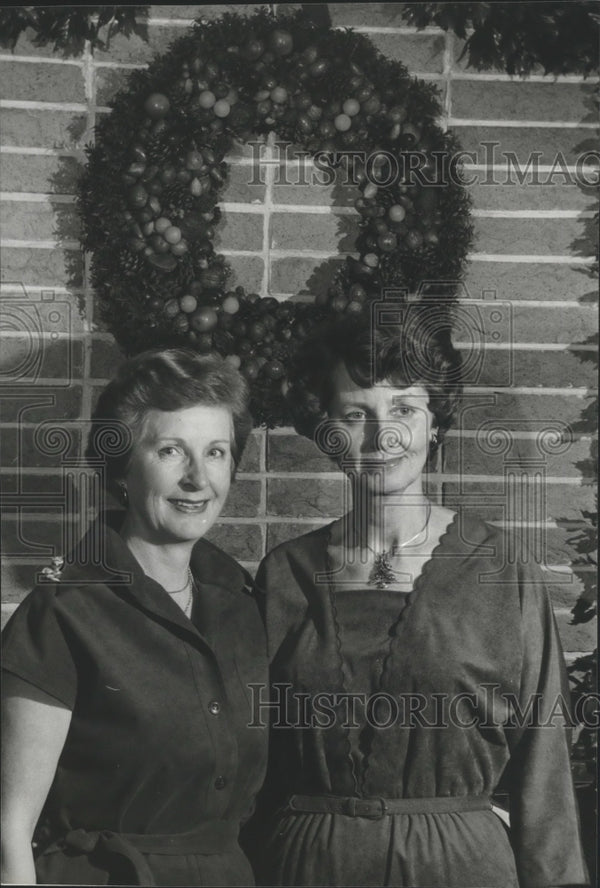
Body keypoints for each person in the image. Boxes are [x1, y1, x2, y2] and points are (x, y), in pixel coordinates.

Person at [252, 311, 589, 888]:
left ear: (437, 424)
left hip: (459, 867)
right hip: (305, 868)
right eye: (357, 414)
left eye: (405, 409)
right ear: (327, 431)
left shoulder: (501, 572)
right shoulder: (284, 575)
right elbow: (250, 764)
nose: (381, 437)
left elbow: (545, 767)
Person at [1, 348, 268, 886]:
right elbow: (8, 828)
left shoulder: (243, 604)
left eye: (215, 452)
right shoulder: (64, 612)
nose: (197, 478)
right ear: (122, 467)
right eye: (171, 450)